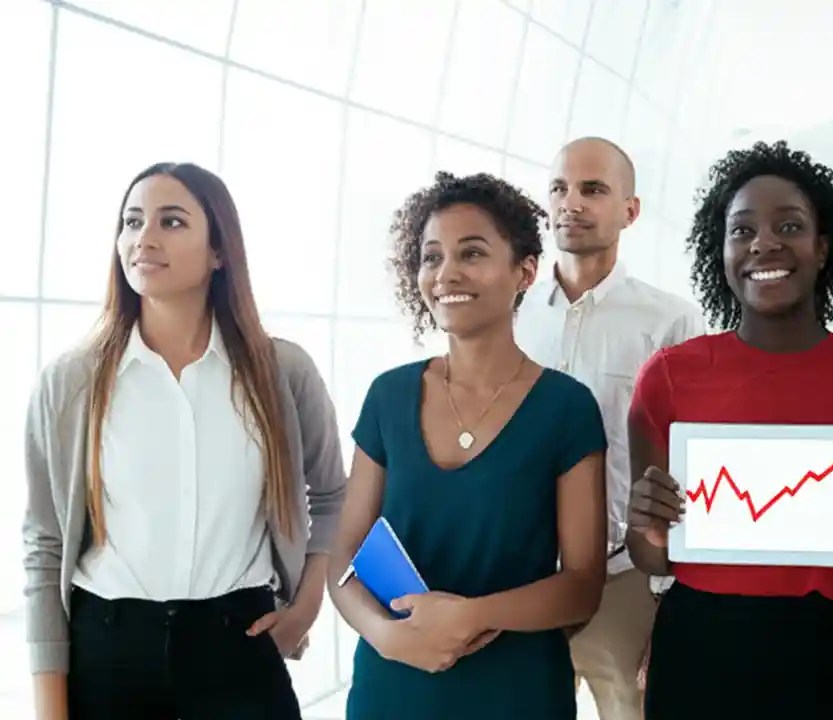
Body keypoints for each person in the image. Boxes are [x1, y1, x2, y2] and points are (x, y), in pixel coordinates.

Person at [625, 141, 833, 719]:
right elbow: (654, 559)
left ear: (823, 248)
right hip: (705, 650)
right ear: (719, 252)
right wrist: (647, 523)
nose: (763, 244)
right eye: (741, 231)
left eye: (789, 226)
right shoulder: (669, 378)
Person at [22, 162, 347, 720]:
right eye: (131, 221)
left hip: (239, 645)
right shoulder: (71, 381)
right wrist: (50, 707)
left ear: (219, 251)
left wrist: (307, 606)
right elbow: (45, 542)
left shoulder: (282, 372)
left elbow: (335, 497)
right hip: (108, 652)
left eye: (171, 221)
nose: (143, 238)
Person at [328, 171, 608, 719]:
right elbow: (344, 559)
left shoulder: (566, 408)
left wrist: (473, 615)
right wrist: (385, 636)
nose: (446, 273)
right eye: (432, 257)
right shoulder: (388, 396)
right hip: (392, 688)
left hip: (516, 693)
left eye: (471, 253)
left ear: (524, 271)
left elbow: (582, 587)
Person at [514, 136, 704, 720]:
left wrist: (671, 600)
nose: (571, 202)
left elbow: (689, 466)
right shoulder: (508, 311)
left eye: (593, 189)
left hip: (621, 579)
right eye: (559, 188)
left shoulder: (670, 320)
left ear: (630, 210)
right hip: (519, 574)